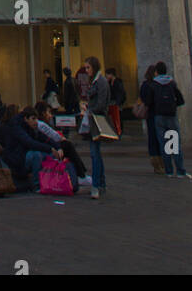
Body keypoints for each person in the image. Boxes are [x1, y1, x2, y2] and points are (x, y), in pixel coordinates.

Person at [0, 104, 62, 191]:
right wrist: (50, 148)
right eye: (33, 119)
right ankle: (36, 185)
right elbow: (29, 142)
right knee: (36, 155)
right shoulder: (17, 128)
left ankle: (51, 181)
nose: (36, 122)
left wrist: (58, 147)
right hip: (16, 159)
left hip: (23, 155)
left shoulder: (29, 127)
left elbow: (43, 137)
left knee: (49, 155)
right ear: (26, 119)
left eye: (36, 119)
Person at [147, 61, 192, 180]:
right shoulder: (172, 83)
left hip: (159, 117)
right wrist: (173, 105)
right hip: (171, 116)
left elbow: (149, 102)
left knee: (164, 144)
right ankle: (181, 171)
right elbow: (181, 99)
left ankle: (169, 171)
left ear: (156, 72)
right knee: (175, 144)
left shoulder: (153, 85)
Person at [34, 101, 89, 182]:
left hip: (46, 147)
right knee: (68, 145)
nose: (51, 115)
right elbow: (54, 136)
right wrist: (61, 141)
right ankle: (81, 174)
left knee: (67, 146)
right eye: (48, 112)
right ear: (43, 113)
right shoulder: (41, 124)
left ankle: (79, 174)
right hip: (46, 149)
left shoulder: (39, 124)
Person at [82, 56, 110, 199]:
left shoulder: (101, 81)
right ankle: (101, 183)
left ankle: (96, 185)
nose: (86, 71)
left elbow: (102, 103)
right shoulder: (94, 81)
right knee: (96, 153)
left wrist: (90, 110)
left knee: (95, 154)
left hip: (97, 120)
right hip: (93, 119)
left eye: (88, 67)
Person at [139, 64, 163, 174]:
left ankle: (156, 163)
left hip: (149, 115)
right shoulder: (156, 85)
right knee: (160, 138)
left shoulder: (145, 85)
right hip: (158, 114)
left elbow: (143, 98)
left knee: (152, 139)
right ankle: (164, 162)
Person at [106, 67, 126, 136]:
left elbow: (121, 93)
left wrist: (119, 102)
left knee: (118, 117)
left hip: (116, 102)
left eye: (108, 75)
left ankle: (119, 131)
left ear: (111, 74)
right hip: (111, 102)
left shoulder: (117, 82)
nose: (107, 76)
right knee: (113, 117)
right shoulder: (109, 82)